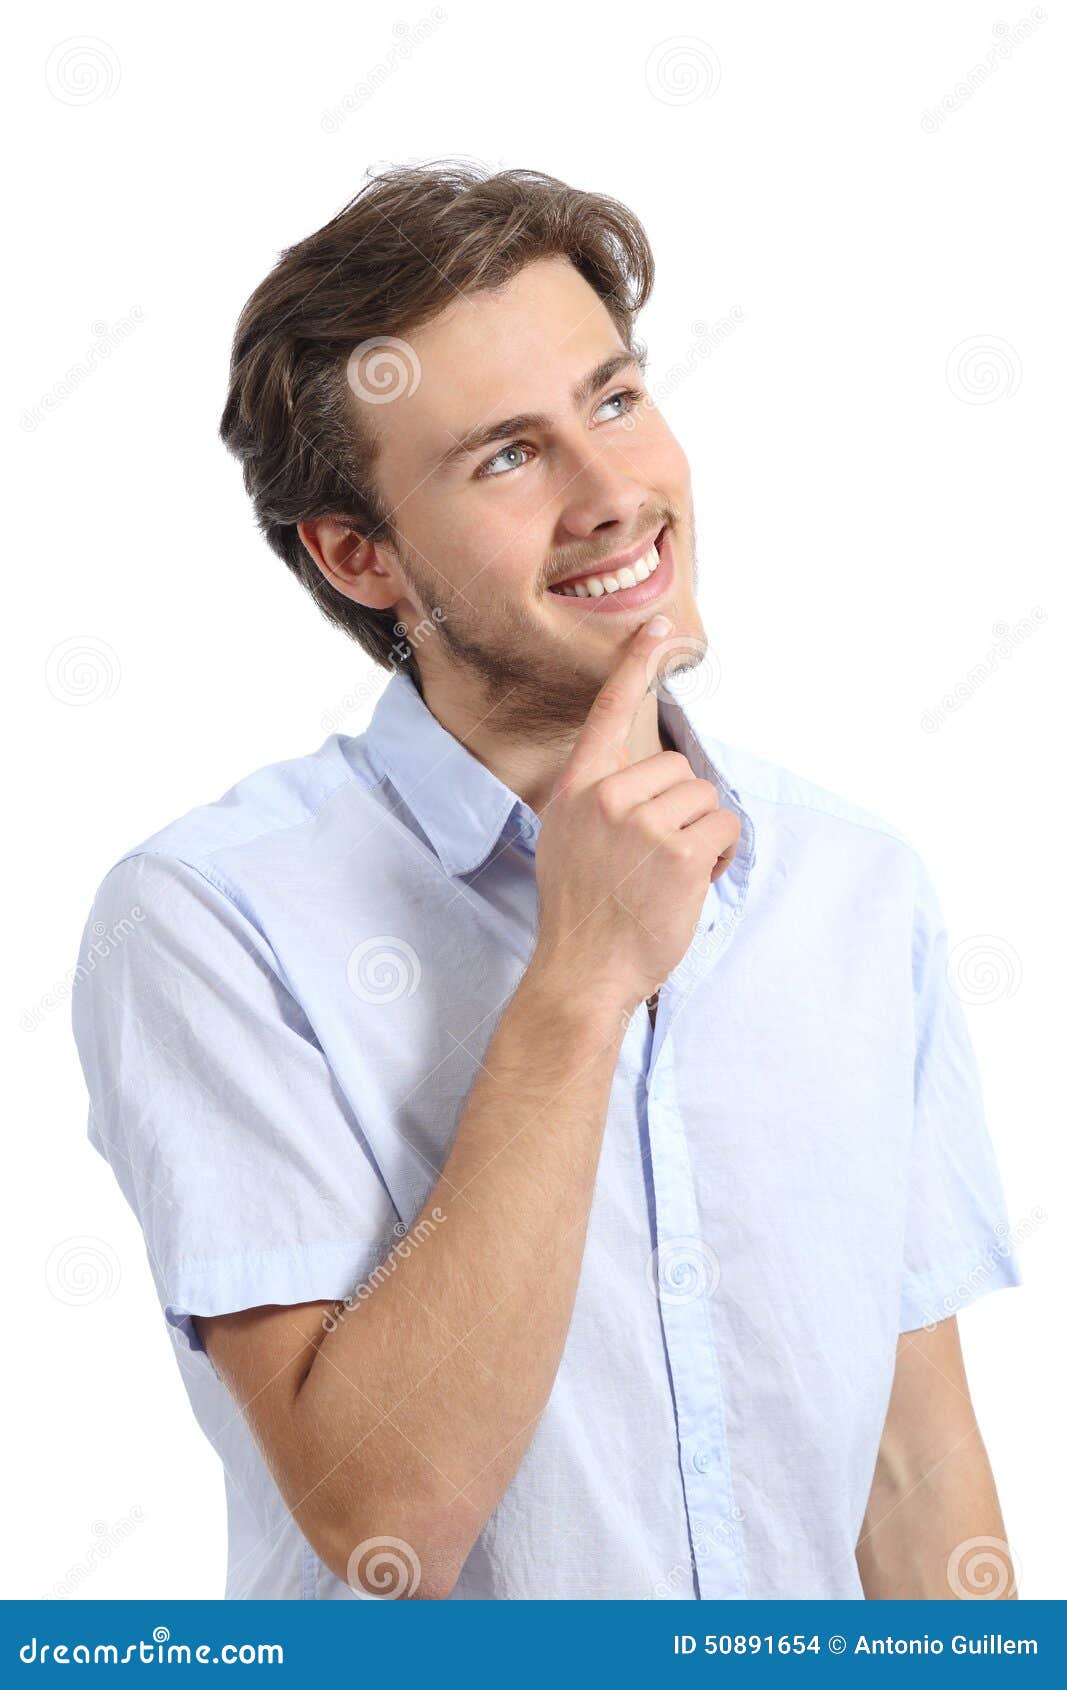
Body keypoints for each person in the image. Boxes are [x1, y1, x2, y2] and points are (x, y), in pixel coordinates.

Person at [72, 161, 1021, 1602]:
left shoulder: (858, 885)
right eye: (507, 455)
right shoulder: (209, 918)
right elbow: (386, 1513)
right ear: (359, 556)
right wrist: (579, 983)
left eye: (616, 400)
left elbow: (914, 1461)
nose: (615, 493)